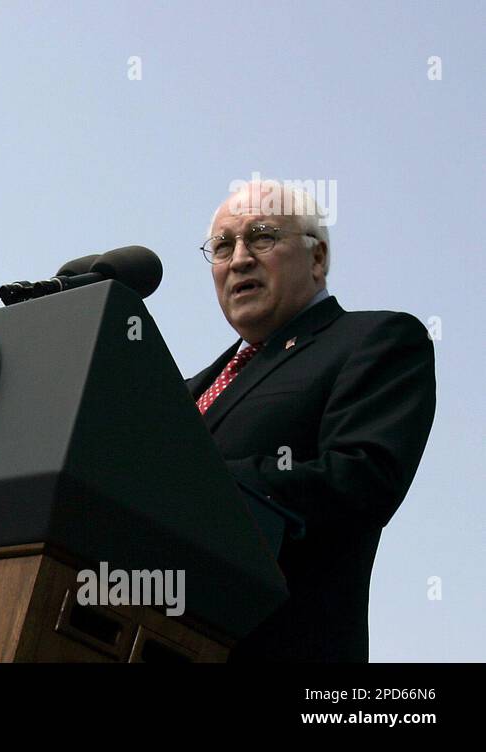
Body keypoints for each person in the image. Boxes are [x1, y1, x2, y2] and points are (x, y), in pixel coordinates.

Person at [187, 180, 436, 662]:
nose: (238, 259)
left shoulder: (377, 341)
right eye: (222, 245)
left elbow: (361, 479)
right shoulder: (184, 389)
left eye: (262, 237)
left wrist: (196, 483)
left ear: (317, 258)